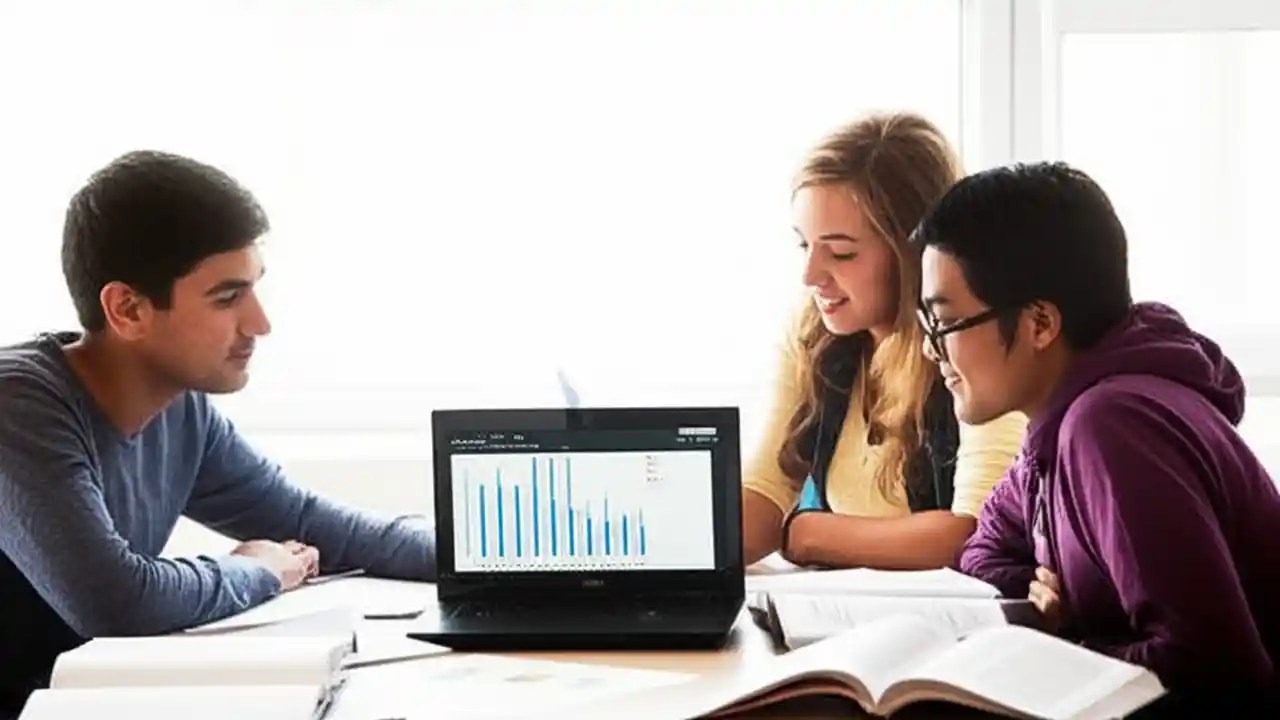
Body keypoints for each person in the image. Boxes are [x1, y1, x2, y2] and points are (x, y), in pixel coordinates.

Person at [0, 151, 437, 716]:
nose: (260, 323)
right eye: (227, 297)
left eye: (253, 290)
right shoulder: (19, 405)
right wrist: (260, 569)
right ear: (128, 309)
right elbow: (116, 602)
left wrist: (497, 558)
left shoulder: (181, 411)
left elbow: (308, 523)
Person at [913, 161, 1280, 703]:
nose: (929, 348)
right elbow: (983, 548)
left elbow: (1215, 670)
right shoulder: (1058, 423)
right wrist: (1043, 599)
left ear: (1040, 323)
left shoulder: (1111, 426)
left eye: (943, 324)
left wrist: (1065, 639)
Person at [741, 112, 1026, 570]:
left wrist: (809, 534)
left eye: (841, 253)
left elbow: (973, 535)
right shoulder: (816, 332)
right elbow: (763, 497)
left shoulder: (976, 340)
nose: (811, 275)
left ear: (911, 252)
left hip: (952, 631)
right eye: (803, 246)